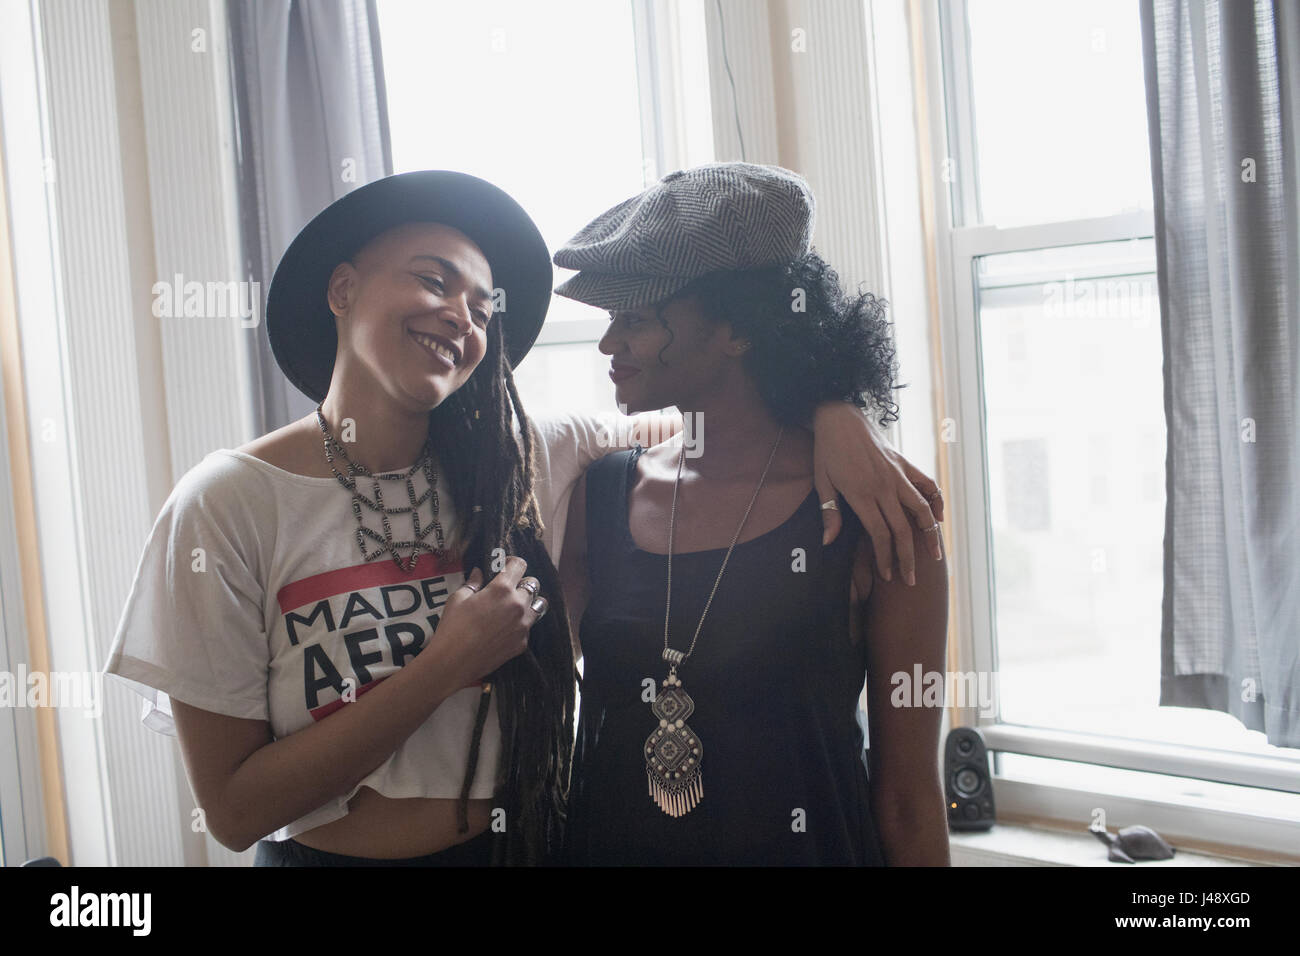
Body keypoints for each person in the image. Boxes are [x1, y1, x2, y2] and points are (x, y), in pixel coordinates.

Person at [102, 168, 944, 867]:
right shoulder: (226, 505)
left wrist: (839, 409)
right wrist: (446, 663)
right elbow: (234, 811)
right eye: (433, 279)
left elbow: (721, 425)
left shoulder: (530, 458)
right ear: (343, 287)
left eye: (481, 305)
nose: (460, 315)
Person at [556, 163, 951, 865]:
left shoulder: (880, 517)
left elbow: (908, 802)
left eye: (637, 319)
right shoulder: (599, 495)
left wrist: (833, 411)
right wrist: (836, 407)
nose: (609, 343)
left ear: (736, 331)